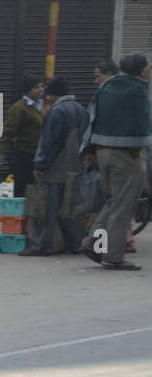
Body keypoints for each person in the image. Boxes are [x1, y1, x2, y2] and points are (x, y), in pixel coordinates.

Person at [79, 52, 152, 271]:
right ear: (141, 70)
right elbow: (142, 125)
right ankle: (113, 257)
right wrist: (138, 151)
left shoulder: (107, 86)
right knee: (123, 206)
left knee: (112, 202)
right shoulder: (137, 90)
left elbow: (92, 116)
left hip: (102, 152)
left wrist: (90, 149)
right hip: (126, 156)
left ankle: (94, 242)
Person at [21, 75, 87, 256]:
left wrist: (40, 165)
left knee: (48, 209)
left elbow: (50, 142)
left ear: (54, 94)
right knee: (72, 208)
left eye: (47, 93)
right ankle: (75, 244)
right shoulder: (81, 110)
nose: (44, 96)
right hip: (76, 168)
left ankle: (44, 245)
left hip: (55, 169)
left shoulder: (56, 111)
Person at [0, 74, 44, 198]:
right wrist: (1, 152)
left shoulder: (43, 107)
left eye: (42, 86)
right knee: (22, 189)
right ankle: (20, 215)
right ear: (28, 90)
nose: (41, 90)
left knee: (37, 189)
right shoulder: (19, 108)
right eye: (36, 87)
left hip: (38, 155)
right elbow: (8, 131)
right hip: (23, 156)